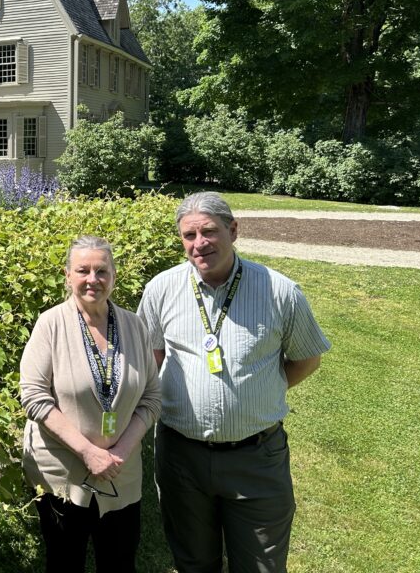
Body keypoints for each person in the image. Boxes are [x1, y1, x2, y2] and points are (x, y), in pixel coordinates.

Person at [138, 191, 331, 573]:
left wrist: (260, 392)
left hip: (256, 459)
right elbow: (151, 360)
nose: (199, 243)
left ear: (234, 230)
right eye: (189, 235)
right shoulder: (162, 289)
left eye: (209, 231)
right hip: (182, 458)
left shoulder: (280, 291)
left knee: (261, 565)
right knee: (193, 562)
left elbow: (307, 359)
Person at [20, 235, 161, 572]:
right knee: (64, 563)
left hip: (120, 472)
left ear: (114, 276)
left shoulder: (134, 326)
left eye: (102, 271)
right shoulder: (50, 324)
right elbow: (34, 397)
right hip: (62, 473)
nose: (92, 279)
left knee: (119, 563)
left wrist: (121, 451)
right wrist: (88, 452)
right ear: (68, 275)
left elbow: (151, 397)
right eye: (83, 270)